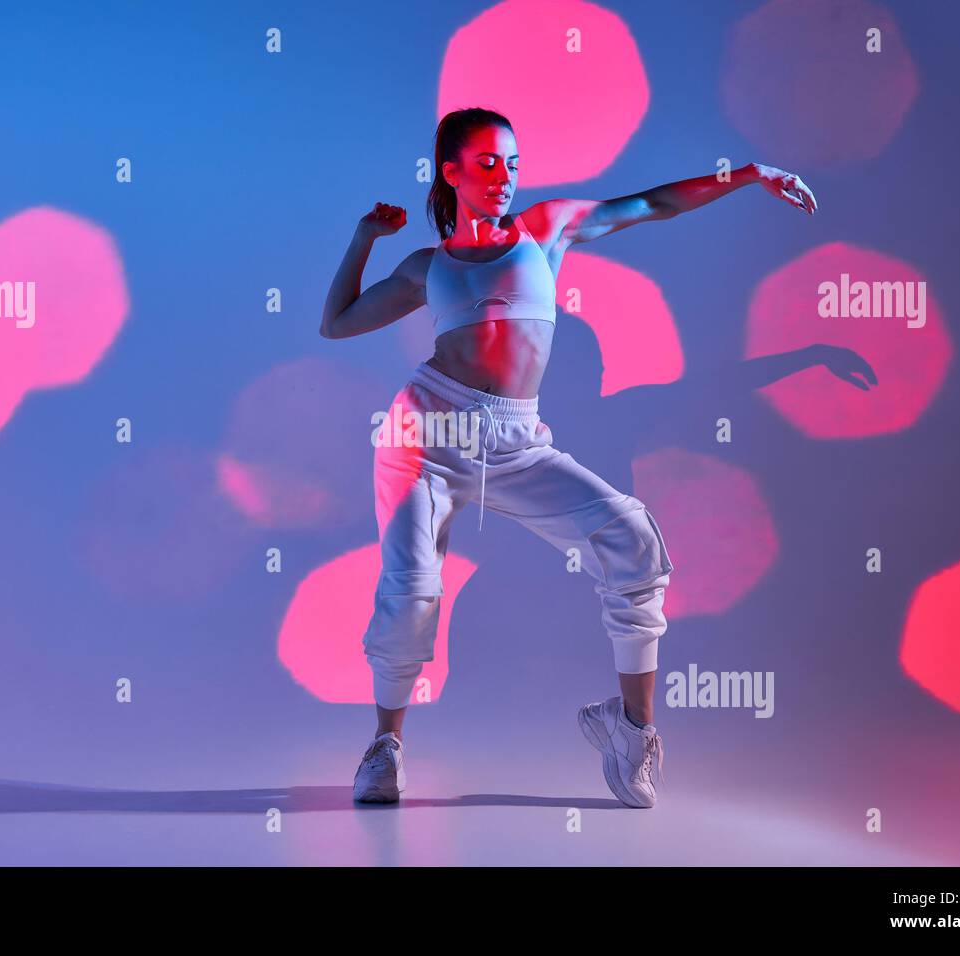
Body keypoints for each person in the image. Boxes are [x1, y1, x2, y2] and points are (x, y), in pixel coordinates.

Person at [320, 107, 817, 808]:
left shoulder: (545, 230)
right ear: (451, 172)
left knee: (633, 538)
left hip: (516, 440)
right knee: (413, 592)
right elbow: (335, 323)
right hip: (424, 438)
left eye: (512, 165)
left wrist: (748, 175)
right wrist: (363, 237)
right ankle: (384, 746)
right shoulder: (426, 268)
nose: (504, 178)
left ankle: (630, 729)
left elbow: (651, 204)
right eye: (487, 164)